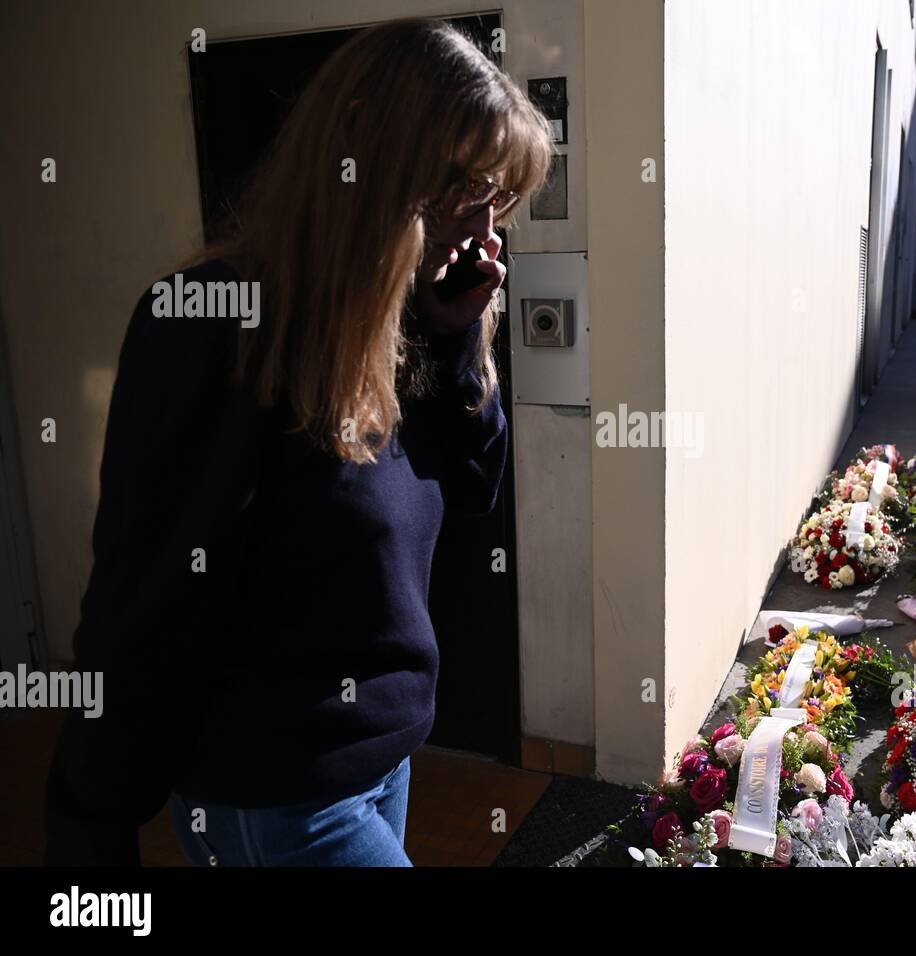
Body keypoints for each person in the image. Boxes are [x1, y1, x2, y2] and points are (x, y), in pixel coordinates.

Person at [42, 18, 556, 866]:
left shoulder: (410, 320)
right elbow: (150, 594)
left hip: (381, 761)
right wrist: (90, 822)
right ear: (375, 161)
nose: (484, 224)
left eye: (501, 196)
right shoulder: (218, 326)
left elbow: (474, 494)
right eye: (472, 186)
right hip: (277, 792)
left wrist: (460, 343)